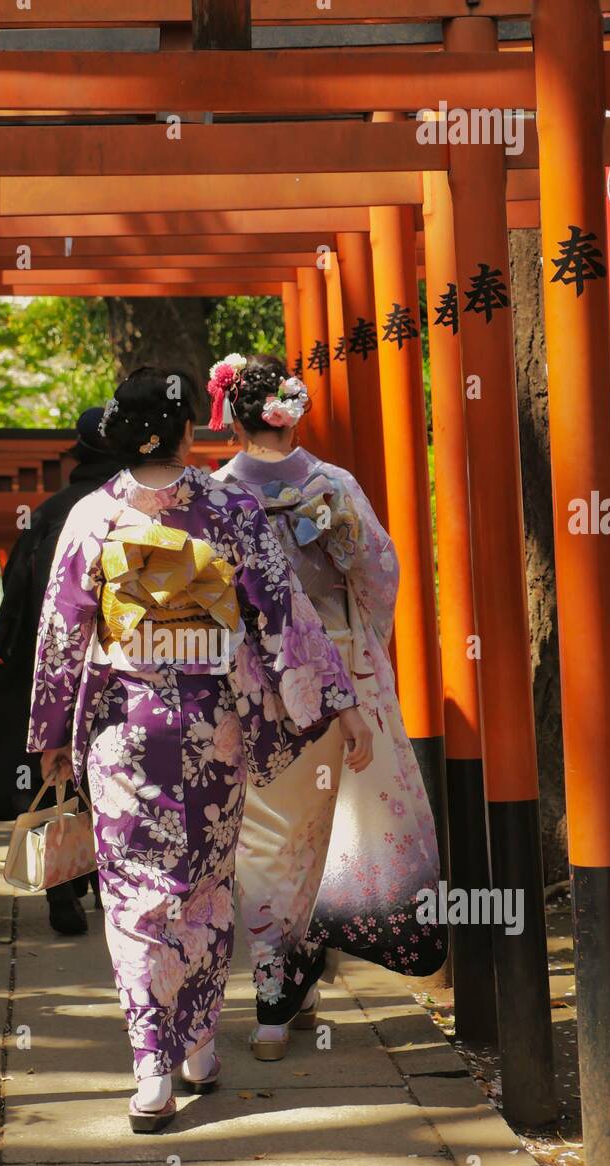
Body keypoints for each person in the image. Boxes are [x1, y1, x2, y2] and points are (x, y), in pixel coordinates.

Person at [27, 366, 372, 1132]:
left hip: (125, 729)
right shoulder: (229, 508)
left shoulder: (91, 517)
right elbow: (282, 615)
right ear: (185, 431)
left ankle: (150, 1064)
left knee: (133, 899)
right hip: (212, 727)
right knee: (209, 886)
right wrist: (339, 704)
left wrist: (53, 735)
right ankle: (199, 1046)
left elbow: (60, 634)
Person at [209, 353, 445, 1061]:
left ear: (233, 416)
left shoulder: (218, 492)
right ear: (291, 410)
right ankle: (300, 976)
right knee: (338, 825)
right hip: (343, 665)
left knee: (269, 836)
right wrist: (366, 641)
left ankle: (275, 1004)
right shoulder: (333, 483)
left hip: (257, 681)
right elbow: (379, 573)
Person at [0, 407, 119, 936]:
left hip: (48, 663)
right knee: (112, 774)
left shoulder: (49, 514)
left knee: (52, 772)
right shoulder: (131, 511)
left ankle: (61, 883)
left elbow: (16, 592)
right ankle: (111, 884)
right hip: (121, 665)